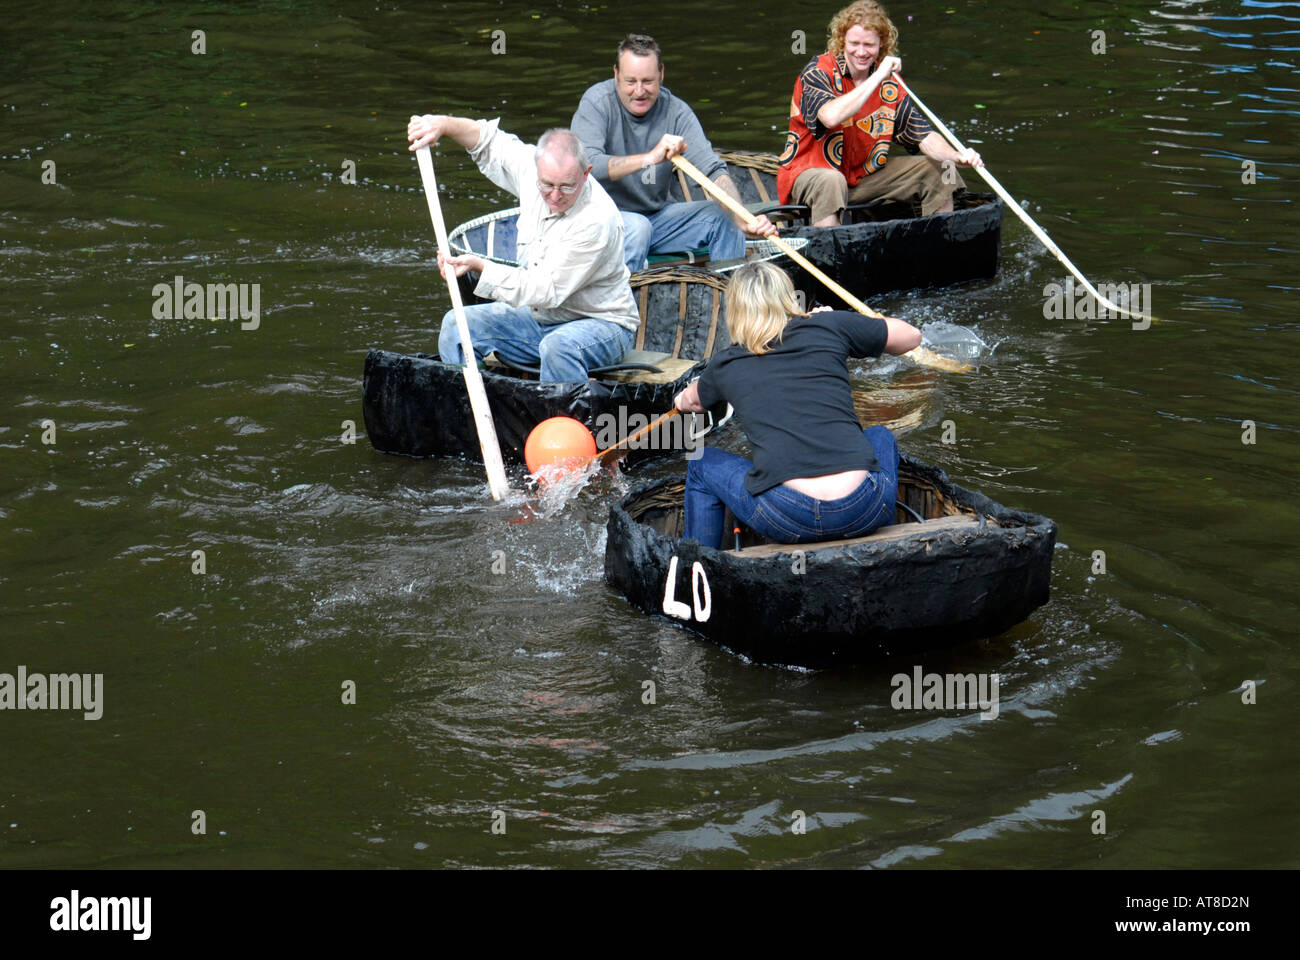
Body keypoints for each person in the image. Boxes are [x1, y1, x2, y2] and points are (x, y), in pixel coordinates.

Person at [672, 261, 922, 550]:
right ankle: (880, 553)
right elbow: (911, 337)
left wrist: (681, 398)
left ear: (736, 311)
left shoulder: (725, 363)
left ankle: (696, 571)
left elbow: (691, 402)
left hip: (787, 517)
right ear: (789, 298)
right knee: (879, 434)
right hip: (865, 506)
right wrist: (843, 321)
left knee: (701, 463)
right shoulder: (830, 325)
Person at [407, 114, 640, 382]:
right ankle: (472, 409)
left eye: (567, 186)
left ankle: (562, 421)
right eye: (547, 185)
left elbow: (545, 290)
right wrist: (442, 125)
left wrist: (482, 267)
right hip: (541, 317)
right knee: (456, 326)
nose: (554, 196)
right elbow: (487, 140)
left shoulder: (596, 221)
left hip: (602, 325)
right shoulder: (531, 169)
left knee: (557, 347)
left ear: (586, 174)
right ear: (538, 170)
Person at [571, 33, 777, 277]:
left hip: (656, 219)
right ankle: (621, 312)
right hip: (601, 221)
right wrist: (650, 158)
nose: (639, 91)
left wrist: (742, 218)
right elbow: (587, 164)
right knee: (638, 228)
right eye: (630, 81)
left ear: (661, 74)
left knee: (721, 219)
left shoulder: (676, 111)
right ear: (616, 74)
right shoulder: (597, 102)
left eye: (648, 81)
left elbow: (712, 170)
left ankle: (730, 303)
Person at [777, 1, 984, 227]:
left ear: (882, 43)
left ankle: (937, 245)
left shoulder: (891, 84)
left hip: (861, 178)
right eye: (854, 43)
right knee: (831, 180)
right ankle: (835, 258)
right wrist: (877, 76)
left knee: (940, 170)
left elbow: (922, 136)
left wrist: (956, 156)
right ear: (841, 40)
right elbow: (830, 117)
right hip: (809, 175)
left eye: (869, 45)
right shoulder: (818, 72)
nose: (862, 52)